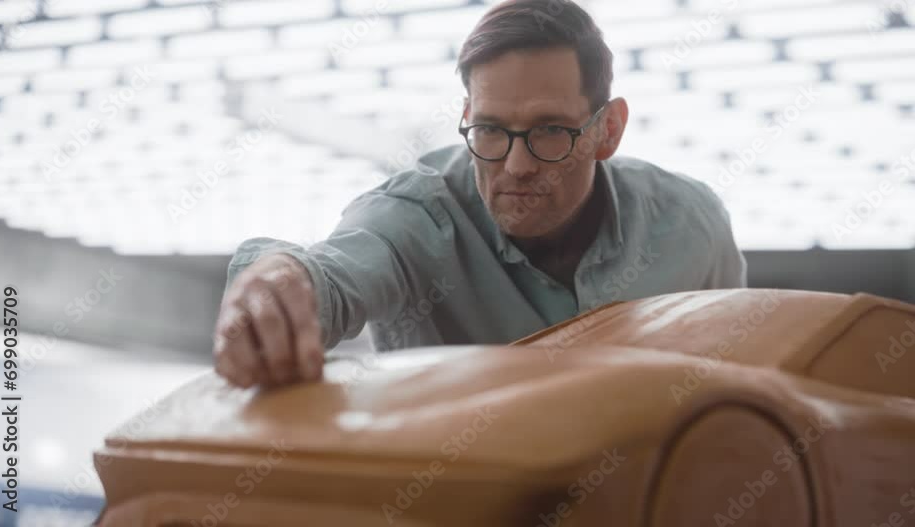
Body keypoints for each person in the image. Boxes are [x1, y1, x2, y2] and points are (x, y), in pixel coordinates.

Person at [212, 0, 747, 388]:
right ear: (467, 116)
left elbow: (744, 376)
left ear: (608, 130)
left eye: (550, 130)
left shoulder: (691, 224)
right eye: (490, 129)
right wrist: (280, 280)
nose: (516, 166)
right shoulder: (416, 218)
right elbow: (332, 274)